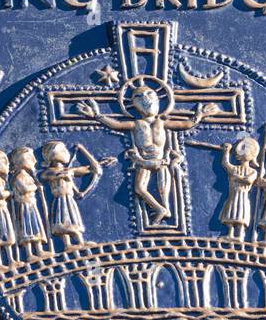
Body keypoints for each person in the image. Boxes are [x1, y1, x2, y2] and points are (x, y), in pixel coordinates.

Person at [77, 83, 217, 227]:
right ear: (134, 105)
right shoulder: (136, 124)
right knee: (139, 188)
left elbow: (186, 124)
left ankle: (164, 208)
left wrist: (200, 115)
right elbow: (116, 125)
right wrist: (96, 115)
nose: (145, 99)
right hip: (144, 161)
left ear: (158, 100)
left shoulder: (162, 123)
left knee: (163, 191)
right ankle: (160, 209)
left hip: (161, 161)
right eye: (138, 97)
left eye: (149, 94)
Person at [39, 141, 101, 249]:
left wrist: (83, 150)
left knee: (73, 220)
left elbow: (94, 169)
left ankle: (80, 242)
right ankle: (67, 244)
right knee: (63, 221)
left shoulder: (69, 170)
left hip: (69, 199)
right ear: (52, 155)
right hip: (60, 199)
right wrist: (64, 173)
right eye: (62, 150)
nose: (66, 152)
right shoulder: (49, 172)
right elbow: (48, 176)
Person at [9, 146, 48, 261]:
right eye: (31, 158)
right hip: (24, 206)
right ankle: (29, 253)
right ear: (21, 161)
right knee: (27, 228)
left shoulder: (27, 175)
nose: (35, 161)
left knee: (35, 227)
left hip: (31, 204)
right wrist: (35, 187)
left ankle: (39, 250)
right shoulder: (19, 176)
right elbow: (24, 188)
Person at [219, 136, 260, 240]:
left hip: (242, 195)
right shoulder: (235, 168)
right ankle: (230, 233)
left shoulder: (253, 171)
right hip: (234, 194)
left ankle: (240, 234)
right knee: (231, 212)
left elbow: (249, 180)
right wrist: (226, 152)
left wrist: (236, 177)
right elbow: (225, 163)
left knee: (240, 213)